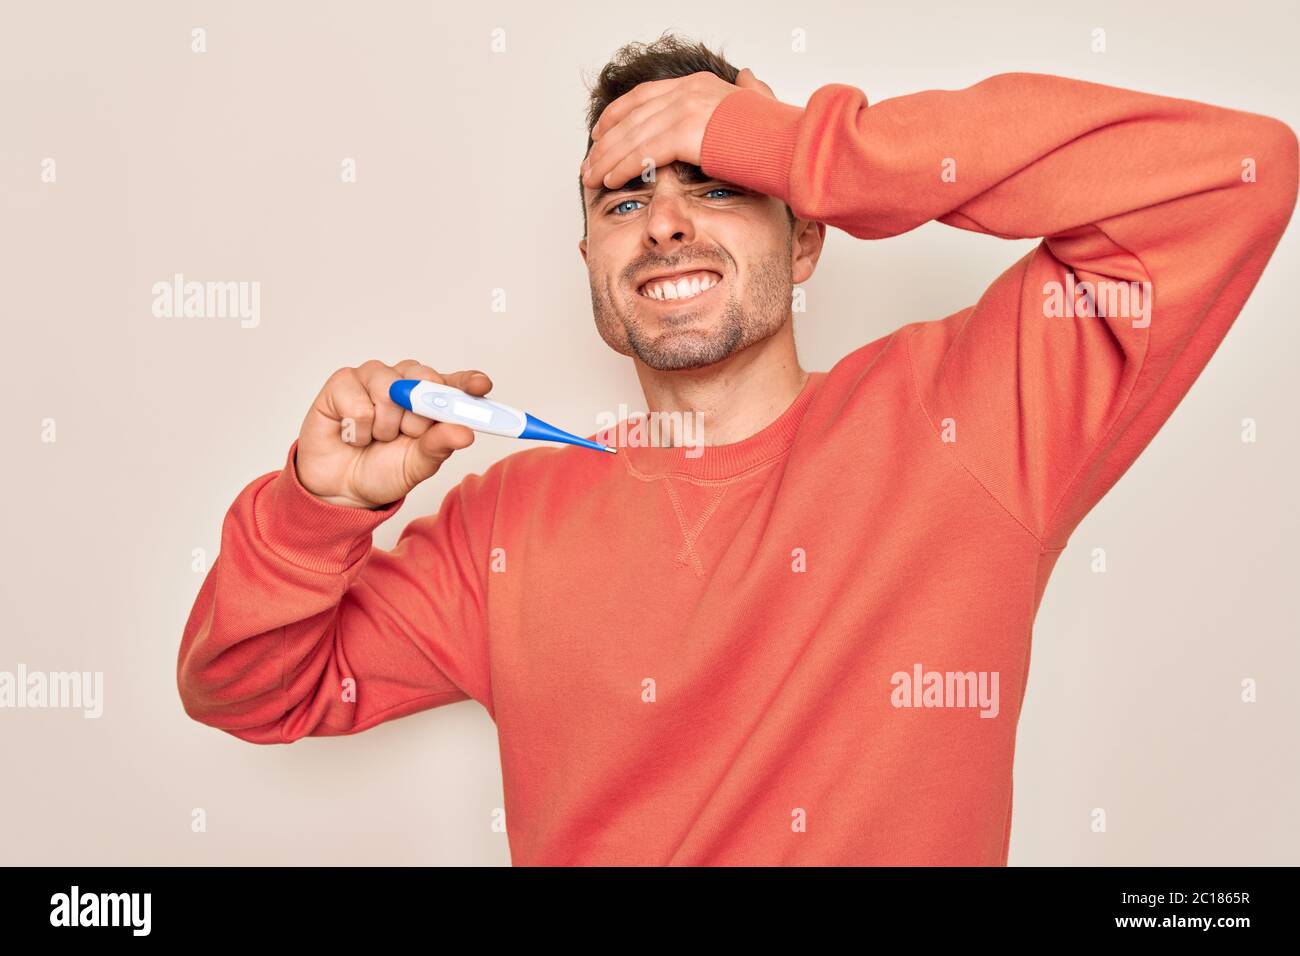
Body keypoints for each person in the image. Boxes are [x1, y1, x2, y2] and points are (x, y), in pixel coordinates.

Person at [177, 32, 1298, 865]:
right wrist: (308, 511)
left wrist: (804, 143)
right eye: (625, 198)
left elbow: (1233, 171)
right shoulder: (502, 524)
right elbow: (247, 692)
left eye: (717, 186)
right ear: (587, 259)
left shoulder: (971, 420)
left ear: (807, 229)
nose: (665, 222)